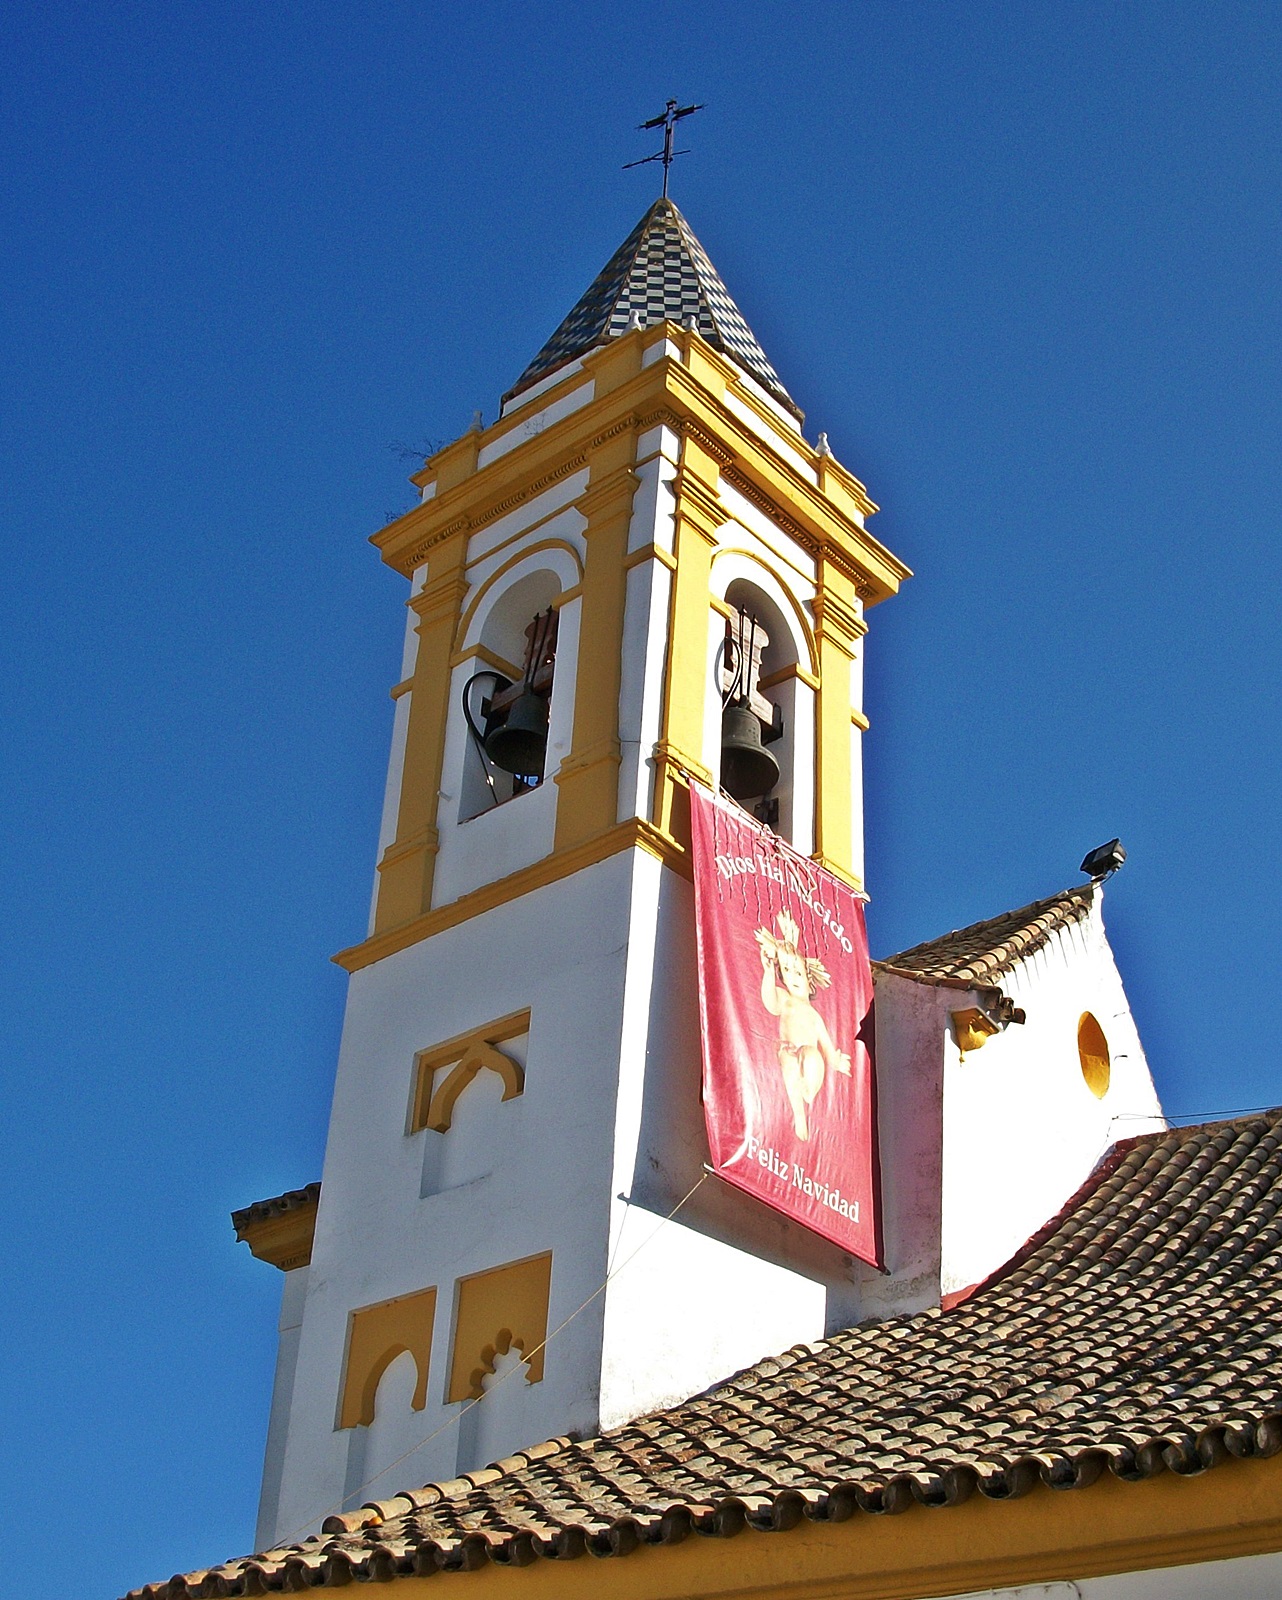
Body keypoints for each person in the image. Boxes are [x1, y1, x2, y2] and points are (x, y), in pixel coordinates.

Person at [756, 911, 851, 1142]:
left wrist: (836, 1061)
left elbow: (826, 1048)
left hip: (810, 1061)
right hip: (787, 1051)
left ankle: (807, 1092)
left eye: (798, 972)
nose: (793, 977)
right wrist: (769, 973)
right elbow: (770, 1003)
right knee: (789, 1063)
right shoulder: (785, 998)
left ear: (810, 981)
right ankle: (799, 1115)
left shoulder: (816, 1017)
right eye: (787, 971)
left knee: (811, 1054)